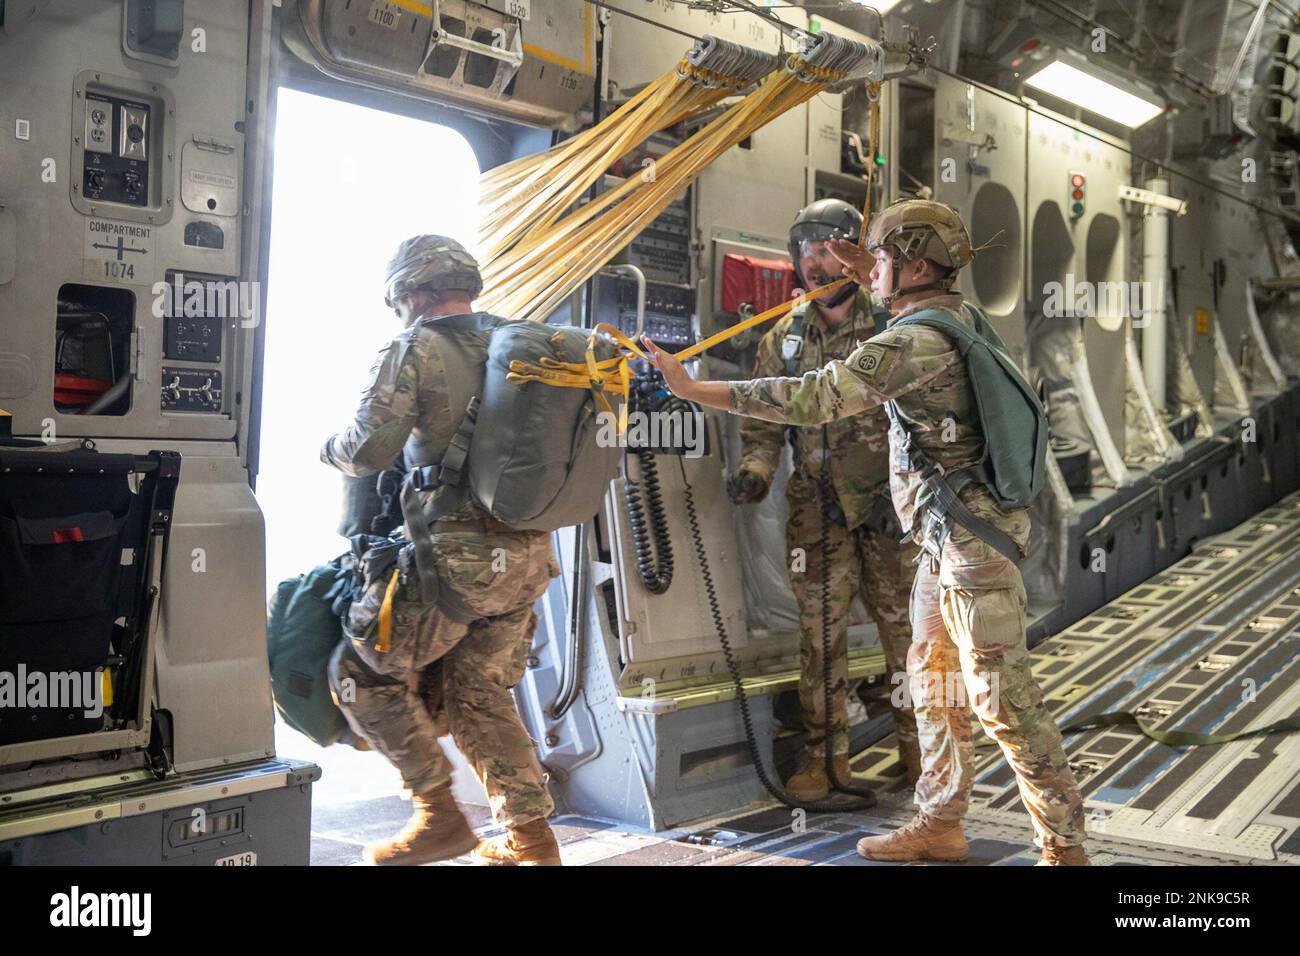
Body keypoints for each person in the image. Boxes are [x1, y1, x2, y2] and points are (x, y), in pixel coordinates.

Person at [641, 199, 1088, 865]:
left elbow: (816, 397)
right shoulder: (949, 315)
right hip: (945, 545)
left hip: (969, 552)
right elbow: (888, 294)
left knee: (1003, 700)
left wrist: (695, 389)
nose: (863, 270)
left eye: (878, 258)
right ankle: (940, 819)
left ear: (911, 266)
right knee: (932, 676)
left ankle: (1063, 848)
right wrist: (872, 261)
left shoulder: (916, 341)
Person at [321, 235, 561, 866]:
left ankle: (440, 817)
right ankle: (533, 845)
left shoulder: (413, 348)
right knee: (479, 693)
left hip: (455, 566)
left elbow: (369, 449)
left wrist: (327, 448)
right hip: (530, 560)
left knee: (360, 674)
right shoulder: (521, 342)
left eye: (398, 299)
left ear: (412, 293)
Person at [731, 199, 920, 800]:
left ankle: (924, 758)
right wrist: (756, 470)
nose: (817, 261)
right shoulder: (780, 343)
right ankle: (825, 758)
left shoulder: (895, 326)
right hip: (817, 510)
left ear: (853, 257)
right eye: (807, 250)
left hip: (891, 509)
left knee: (908, 639)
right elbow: (762, 422)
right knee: (819, 637)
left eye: (829, 248)